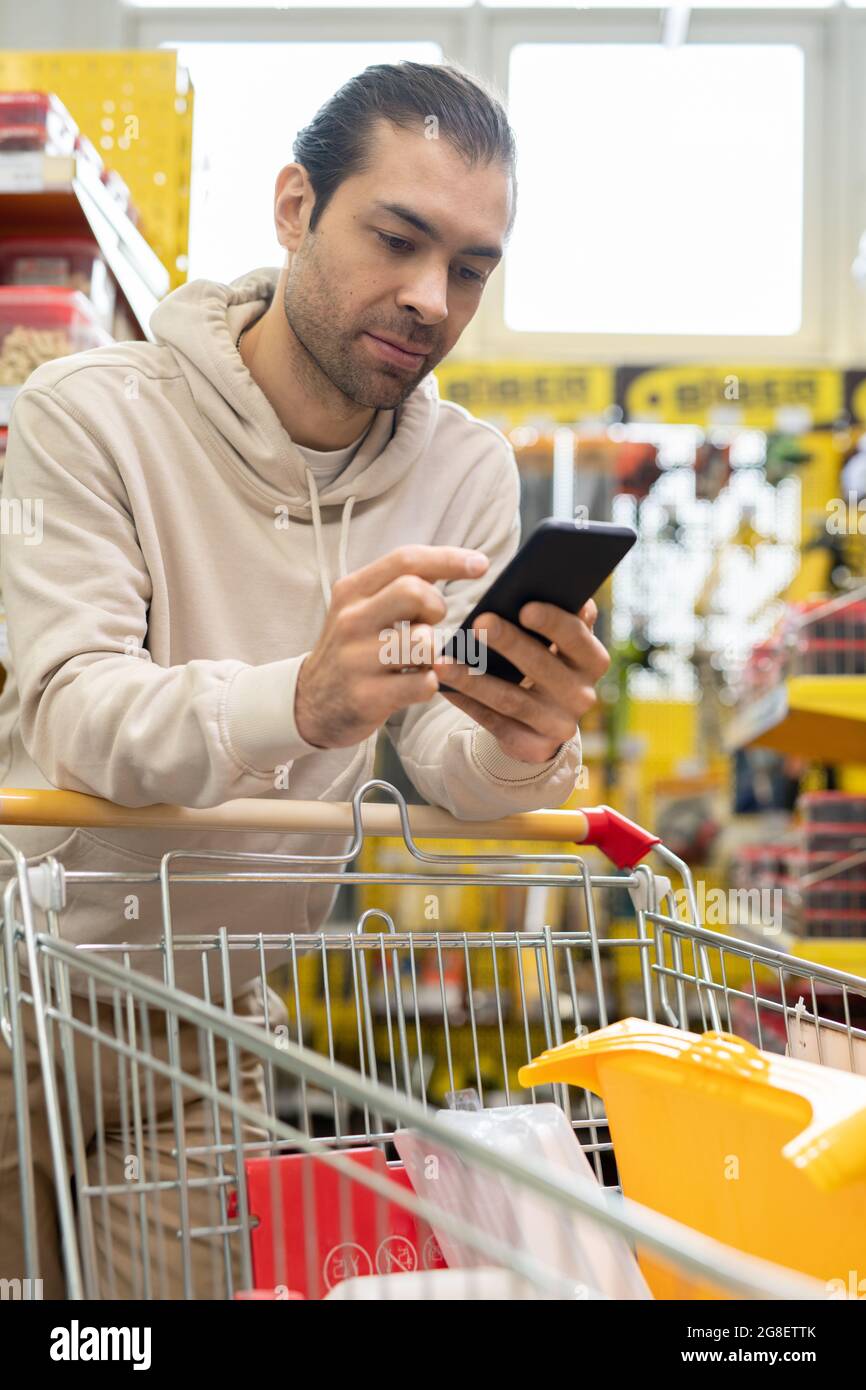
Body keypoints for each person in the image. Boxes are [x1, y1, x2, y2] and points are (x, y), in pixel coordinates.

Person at [0, 60, 609, 1296]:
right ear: (293, 206)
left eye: (472, 269)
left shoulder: (464, 470)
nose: (430, 298)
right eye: (398, 238)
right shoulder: (88, 412)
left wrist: (521, 739)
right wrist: (302, 700)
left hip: (211, 1026)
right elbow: (73, 710)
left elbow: (446, 765)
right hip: (18, 1001)